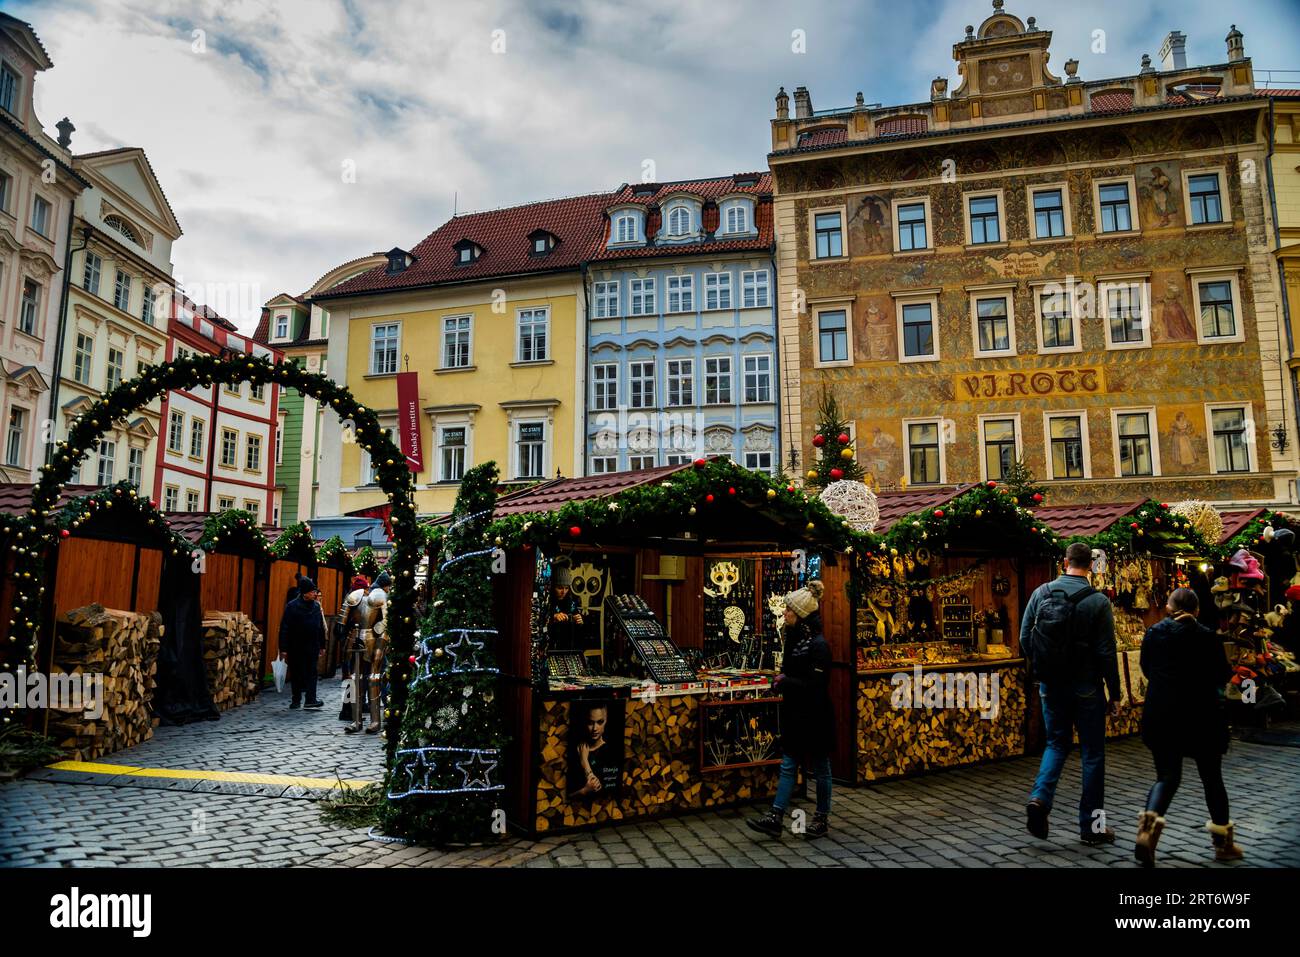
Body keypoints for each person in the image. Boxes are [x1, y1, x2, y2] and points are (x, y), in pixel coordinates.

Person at [1022, 542, 1123, 845]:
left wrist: (1044, 665)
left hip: (1051, 685)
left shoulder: (1041, 593)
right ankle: (1092, 828)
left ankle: (1040, 798)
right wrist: (1115, 693)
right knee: (1093, 755)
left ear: (1064, 561)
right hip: (1087, 687)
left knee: (1056, 744)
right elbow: (1106, 652)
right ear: (1091, 565)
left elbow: (1025, 637)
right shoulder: (1098, 602)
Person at [1134, 587, 1242, 866]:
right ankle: (1223, 844)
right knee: (1211, 778)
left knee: (1167, 776)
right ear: (1196, 611)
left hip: (1162, 714)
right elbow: (1222, 675)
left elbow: (1146, 668)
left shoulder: (1153, 633)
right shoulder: (1207, 637)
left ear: (1168, 608)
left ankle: (1147, 831)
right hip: (1201, 717)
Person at [748, 580, 832, 840]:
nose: (785, 613)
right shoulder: (795, 640)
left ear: (802, 614)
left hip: (815, 714)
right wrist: (782, 680)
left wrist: (787, 682)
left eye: (789, 610)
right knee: (788, 764)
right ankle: (776, 815)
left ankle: (821, 818)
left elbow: (817, 684)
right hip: (796, 712)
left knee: (820, 767)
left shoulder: (818, 645)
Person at [280, 577, 326, 710]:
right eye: (312, 592)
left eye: (315, 591)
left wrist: (322, 645)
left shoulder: (316, 606)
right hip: (296, 645)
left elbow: (320, 627)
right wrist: (283, 648)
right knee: (296, 673)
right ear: (305, 593)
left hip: (312, 645)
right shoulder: (292, 606)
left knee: (312, 672)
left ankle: (311, 699)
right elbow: (285, 627)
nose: (315, 594)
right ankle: (296, 700)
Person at [338, 575, 369, 725]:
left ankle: (351, 709)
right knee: (351, 676)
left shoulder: (353, 597)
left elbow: (340, 626)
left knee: (354, 676)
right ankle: (348, 710)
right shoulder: (354, 598)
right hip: (353, 640)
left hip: (354, 640)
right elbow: (341, 624)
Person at [571, 703, 620, 797]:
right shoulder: (576, 748)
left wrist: (584, 761)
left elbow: (598, 788)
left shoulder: (611, 752)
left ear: (606, 721)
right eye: (590, 723)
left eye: (600, 722)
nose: (595, 728)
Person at [547, 560, 585, 648]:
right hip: (549, 648)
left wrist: (580, 622)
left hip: (566, 649)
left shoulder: (571, 602)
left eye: (566, 588)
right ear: (553, 587)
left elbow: (578, 634)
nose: (563, 592)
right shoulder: (546, 600)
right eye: (560, 587)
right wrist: (553, 616)